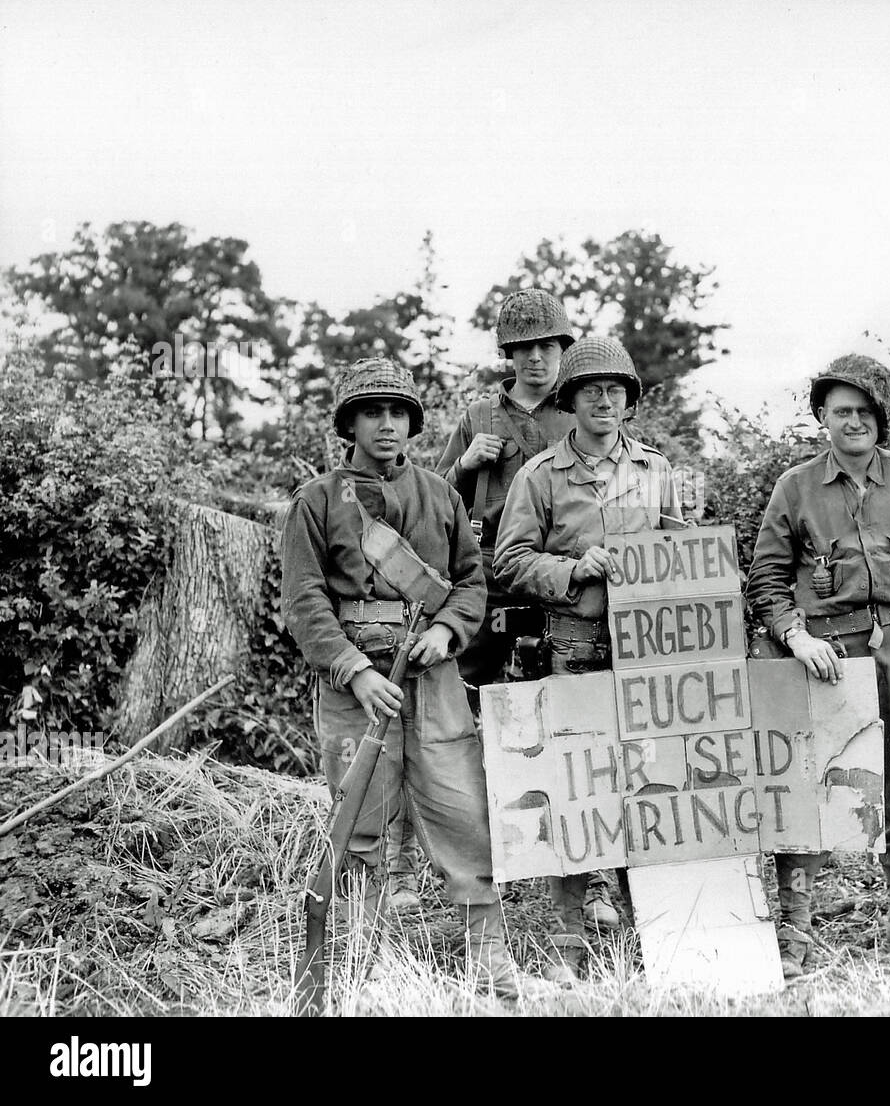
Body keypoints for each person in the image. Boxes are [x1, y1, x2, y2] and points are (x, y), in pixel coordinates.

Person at [280, 357, 523, 999]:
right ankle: (362, 960)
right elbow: (304, 602)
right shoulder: (315, 502)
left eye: (396, 413)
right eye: (372, 412)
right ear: (350, 423)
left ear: (412, 423)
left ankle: (489, 957)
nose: (386, 425)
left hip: (435, 677)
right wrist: (355, 671)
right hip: (356, 688)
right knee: (360, 826)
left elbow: (471, 583)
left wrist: (447, 632)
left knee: (464, 814)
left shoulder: (441, 496)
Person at [746, 354, 890, 979]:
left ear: (882, 419)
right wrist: (792, 635)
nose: (853, 422)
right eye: (841, 411)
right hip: (828, 655)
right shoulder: (796, 487)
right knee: (812, 784)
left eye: (865, 411)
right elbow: (765, 573)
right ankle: (797, 927)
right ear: (821, 417)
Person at [494, 335, 683, 984]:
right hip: (571, 648)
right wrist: (577, 567)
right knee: (575, 792)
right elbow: (509, 561)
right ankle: (569, 942)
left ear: (629, 400)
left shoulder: (658, 472)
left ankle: (657, 939)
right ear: (570, 401)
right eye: (590, 390)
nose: (604, 401)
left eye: (615, 390)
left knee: (649, 786)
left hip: (649, 655)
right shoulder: (540, 474)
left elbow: (691, 555)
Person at [433, 288, 621, 930]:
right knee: (482, 722)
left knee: (573, 731)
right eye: (524, 349)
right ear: (508, 355)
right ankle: (482, 858)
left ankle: (582, 874)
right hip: (496, 584)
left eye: (548, 347)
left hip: (572, 596)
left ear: (564, 353)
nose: (537, 359)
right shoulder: (481, 415)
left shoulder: (581, 410)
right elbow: (431, 501)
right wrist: (464, 464)